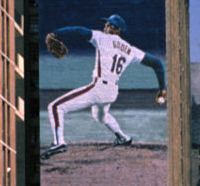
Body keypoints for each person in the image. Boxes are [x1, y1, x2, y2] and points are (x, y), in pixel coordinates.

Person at [41, 14, 166, 159]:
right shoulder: (130, 50)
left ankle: (59, 142)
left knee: (55, 107)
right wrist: (162, 89)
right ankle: (123, 137)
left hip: (98, 88)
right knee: (99, 115)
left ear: (115, 28)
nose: (105, 26)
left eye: (108, 24)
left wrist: (56, 33)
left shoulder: (102, 37)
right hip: (112, 92)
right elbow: (157, 63)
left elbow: (79, 30)